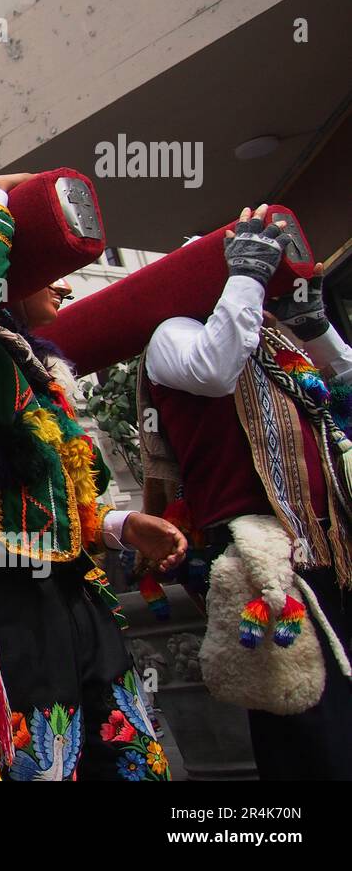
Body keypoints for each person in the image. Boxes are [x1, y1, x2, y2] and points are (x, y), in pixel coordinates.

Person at [0, 173, 185, 781]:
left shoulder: (32, 364)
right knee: (46, 757)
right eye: (46, 266)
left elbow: (56, 486)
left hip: (70, 586)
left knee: (125, 745)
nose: (65, 282)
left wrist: (116, 525)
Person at [142, 205, 352, 779]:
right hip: (263, 557)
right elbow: (215, 371)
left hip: (329, 546)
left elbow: (342, 392)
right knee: (307, 724)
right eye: (241, 269)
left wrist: (317, 330)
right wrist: (247, 277)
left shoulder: (272, 343)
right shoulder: (173, 334)